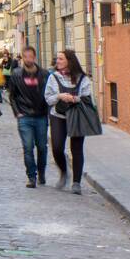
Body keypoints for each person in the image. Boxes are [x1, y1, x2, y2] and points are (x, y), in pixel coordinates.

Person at [45, 48, 94, 194]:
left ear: (69, 61)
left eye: (61, 59)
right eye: (57, 59)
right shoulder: (53, 77)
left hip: (77, 115)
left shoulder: (82, 78)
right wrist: (59, 96)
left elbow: (87, 98)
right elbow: (48, 98)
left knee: (77, 149)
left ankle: (77, 183)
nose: (57, 61)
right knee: (57, 148)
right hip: (58, 116)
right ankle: (64, 171)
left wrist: (74, 98)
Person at [8, 46, 50, 188]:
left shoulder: (44, 74)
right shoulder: (16, 74)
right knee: (27, 147)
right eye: (25, 56)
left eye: (30, 56)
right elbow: (12, 95)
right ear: (22, 57)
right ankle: (31, 177)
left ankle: (41, 171)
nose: (28, 59)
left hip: (41, 116)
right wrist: (17, 112)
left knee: (42, 147)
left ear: (34, 57)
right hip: (24, 116)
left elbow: (49, 94)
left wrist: (47, 111)